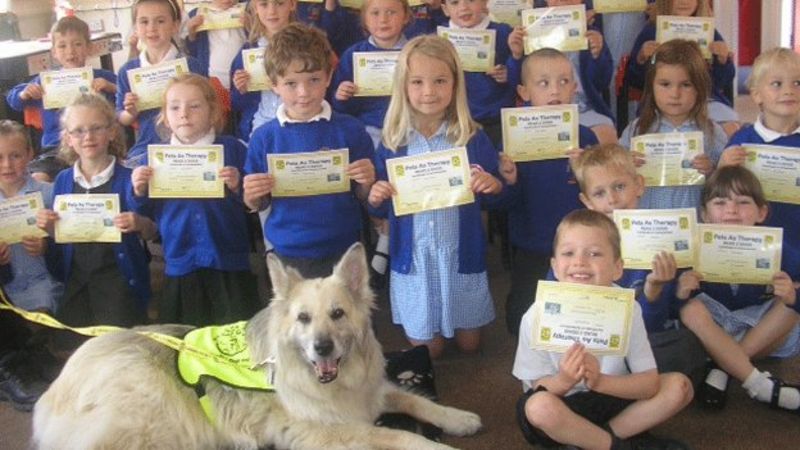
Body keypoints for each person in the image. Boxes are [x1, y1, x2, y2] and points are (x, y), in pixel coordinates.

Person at [368, 35, 504, 359]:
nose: (429, 91)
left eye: (440, 80)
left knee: (471, 346)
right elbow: (382, 208)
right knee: (431, 352)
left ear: (455, 84)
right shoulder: (393, 142)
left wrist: (494, 185)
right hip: (415, 257)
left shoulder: (471, 137)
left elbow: (497, 199)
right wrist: (376, 196)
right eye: (417, 82)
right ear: (403, 86)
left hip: (459, 254)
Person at [513, 209, 693, 449]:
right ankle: (616, 446)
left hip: (613, 395)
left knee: (680, 387)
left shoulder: (628, 309)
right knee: (538, 407)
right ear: (555, 266)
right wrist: (564, 380)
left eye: (594, 253)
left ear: (617, 267)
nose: (579, 262)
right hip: (564, 403)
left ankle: (588, 442)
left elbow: (649, 384)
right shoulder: (535, 315)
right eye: (568, 253)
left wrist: (599, 382)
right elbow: (538, 386)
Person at [242, 23, 376, 279]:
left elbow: (363, 195)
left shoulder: (351, 130)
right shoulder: (264, 138)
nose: (303, 93)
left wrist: (367, 181)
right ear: (273, 84)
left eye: (314, 80)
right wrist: (251, 195)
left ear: (328, 76)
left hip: (343, 248)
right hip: (288, 251)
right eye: (291, 83)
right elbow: (258, 203)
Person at [131, 74, 259, 326]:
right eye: (174, 107)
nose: (184, 114)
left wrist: (238, 185)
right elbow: (144, 210)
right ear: (164, 116)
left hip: (228, 260)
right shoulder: (154, 158)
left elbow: (252, 204)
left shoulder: (233, 149)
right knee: (188, 333)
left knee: (234, 332)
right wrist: (138, 189)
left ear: (213, 112)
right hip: (180, 261)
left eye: (194, 106)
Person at [675, 166, 800, 412]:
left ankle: (723, 367)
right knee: (689, 308)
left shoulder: (776, 247)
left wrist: (791, 294)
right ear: (705, 214)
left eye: (743, 202)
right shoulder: (691, 246)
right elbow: (671, 306)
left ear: (762, 212)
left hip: (757, 331)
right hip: (711, 331)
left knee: (792, 304)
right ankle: (761, 385)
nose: (731, 210)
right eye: (720, 203)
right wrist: (680, 292)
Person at [498, 47, 599, 335]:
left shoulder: (585, 137)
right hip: (532, 243)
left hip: (577, 245)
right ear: (524, 91)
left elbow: (600, 199)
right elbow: (503, 203)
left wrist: (585, 172)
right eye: (543, 83)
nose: (555, 90)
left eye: (564, 82)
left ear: (574, 88)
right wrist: (510, 180)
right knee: (523, 319)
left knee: (577, 313)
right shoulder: (514, 138)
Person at [36, 94, 155, 336]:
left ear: (111, 132)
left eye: (96, 128)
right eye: (78, 131)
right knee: (75, 344)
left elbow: (152, 231)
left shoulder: (128, 178)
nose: (88, 137)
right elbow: (61, 238)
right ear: (68, 138)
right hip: (77, 281)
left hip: (119, 282)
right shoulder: (63, 180)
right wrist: (48, 228)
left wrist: (138, 223)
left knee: (119, 343)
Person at [5, 16, 117, 181]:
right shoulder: (47, 82)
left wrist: (111, 87)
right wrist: (25, 93)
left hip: (96, 145)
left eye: (77, 44)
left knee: (106, 175)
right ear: (54, 52)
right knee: (38, 178)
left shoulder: (102, 78)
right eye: (62, 46)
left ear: (89, 47)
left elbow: (126, 96)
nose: (70, 51)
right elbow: (13, 101)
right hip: (55, 148)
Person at [619, 39, 726, 211]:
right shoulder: (636, 129)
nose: (675, 94)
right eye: (665, 84)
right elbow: (613, 172)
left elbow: (726, 183)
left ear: (699, 88)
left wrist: (711, 171)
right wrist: (625, 164)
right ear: (651, 86)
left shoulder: (712, 132)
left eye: (686, 85)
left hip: (694, 221)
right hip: (647, 221)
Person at [0, 121, 62, 411]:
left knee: (42, 314)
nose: (7, 165)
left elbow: (69, 245)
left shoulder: (48, 193)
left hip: (42, 283)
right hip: (6, 287)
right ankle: (13, 363)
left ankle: (32, 351)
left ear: (29, 154)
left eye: (15, 155)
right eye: (0, 157)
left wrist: (48, 245)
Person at [720, 47, 800, 272]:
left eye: (797, 83)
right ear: (756, 95)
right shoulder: (742, 140)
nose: (789, 91)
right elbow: (720, 190)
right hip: (753, 244)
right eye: (777, 84)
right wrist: (723, 166)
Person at [626, 0, 739, 136]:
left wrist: (722, 61)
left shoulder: (709, 32)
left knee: (731, 129)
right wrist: (641, 59)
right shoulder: (651, 31)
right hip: (660, 103)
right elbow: (634, 80)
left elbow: (722, 82)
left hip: (705, 101)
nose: (684, 1)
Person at [117, 0, 207, 166]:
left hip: (190, 146)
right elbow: (122, 118)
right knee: (131, 174)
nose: (152, 28)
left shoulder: (191, 66)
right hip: (147, 147)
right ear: (135, 27)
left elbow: (208, 109)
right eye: (144, 22)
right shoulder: (128, 71)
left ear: (175, 25)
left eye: (160, 21)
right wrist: (131, 112)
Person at [535, 0, 618, 144]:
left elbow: (602, 82)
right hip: (541, 112)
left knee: (607, 134)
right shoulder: (531, 33)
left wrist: (597, 55)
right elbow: (519, 83)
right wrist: (516, 56)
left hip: (582, 109)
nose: (563, 1)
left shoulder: (591, 35)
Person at [439, 0, 521, 146]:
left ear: (485, 2)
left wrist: (509, 69)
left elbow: (522, 78)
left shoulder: (504, 33)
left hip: (498, 118)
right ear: (445, 9)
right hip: (457, 121)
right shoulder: (440, 39)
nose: (463, 7)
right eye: (455, 2)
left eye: (471, 0)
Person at [234, 0, 297, 137]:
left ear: (292, 4)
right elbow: (237, 103)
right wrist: (241, 89)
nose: (272, 11)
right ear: (255, 8)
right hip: (261, 123)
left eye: (279, 3)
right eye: (264, 4)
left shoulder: (305, 44)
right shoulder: (248, 50)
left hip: (298, 121)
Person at [185, 0, 247, 90]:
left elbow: (257, 43)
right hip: (211, 81)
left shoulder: (246, 11)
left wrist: (251, 26)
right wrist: (191, 33)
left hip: (242, 81)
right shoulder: (197, 14)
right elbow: (192, 53)